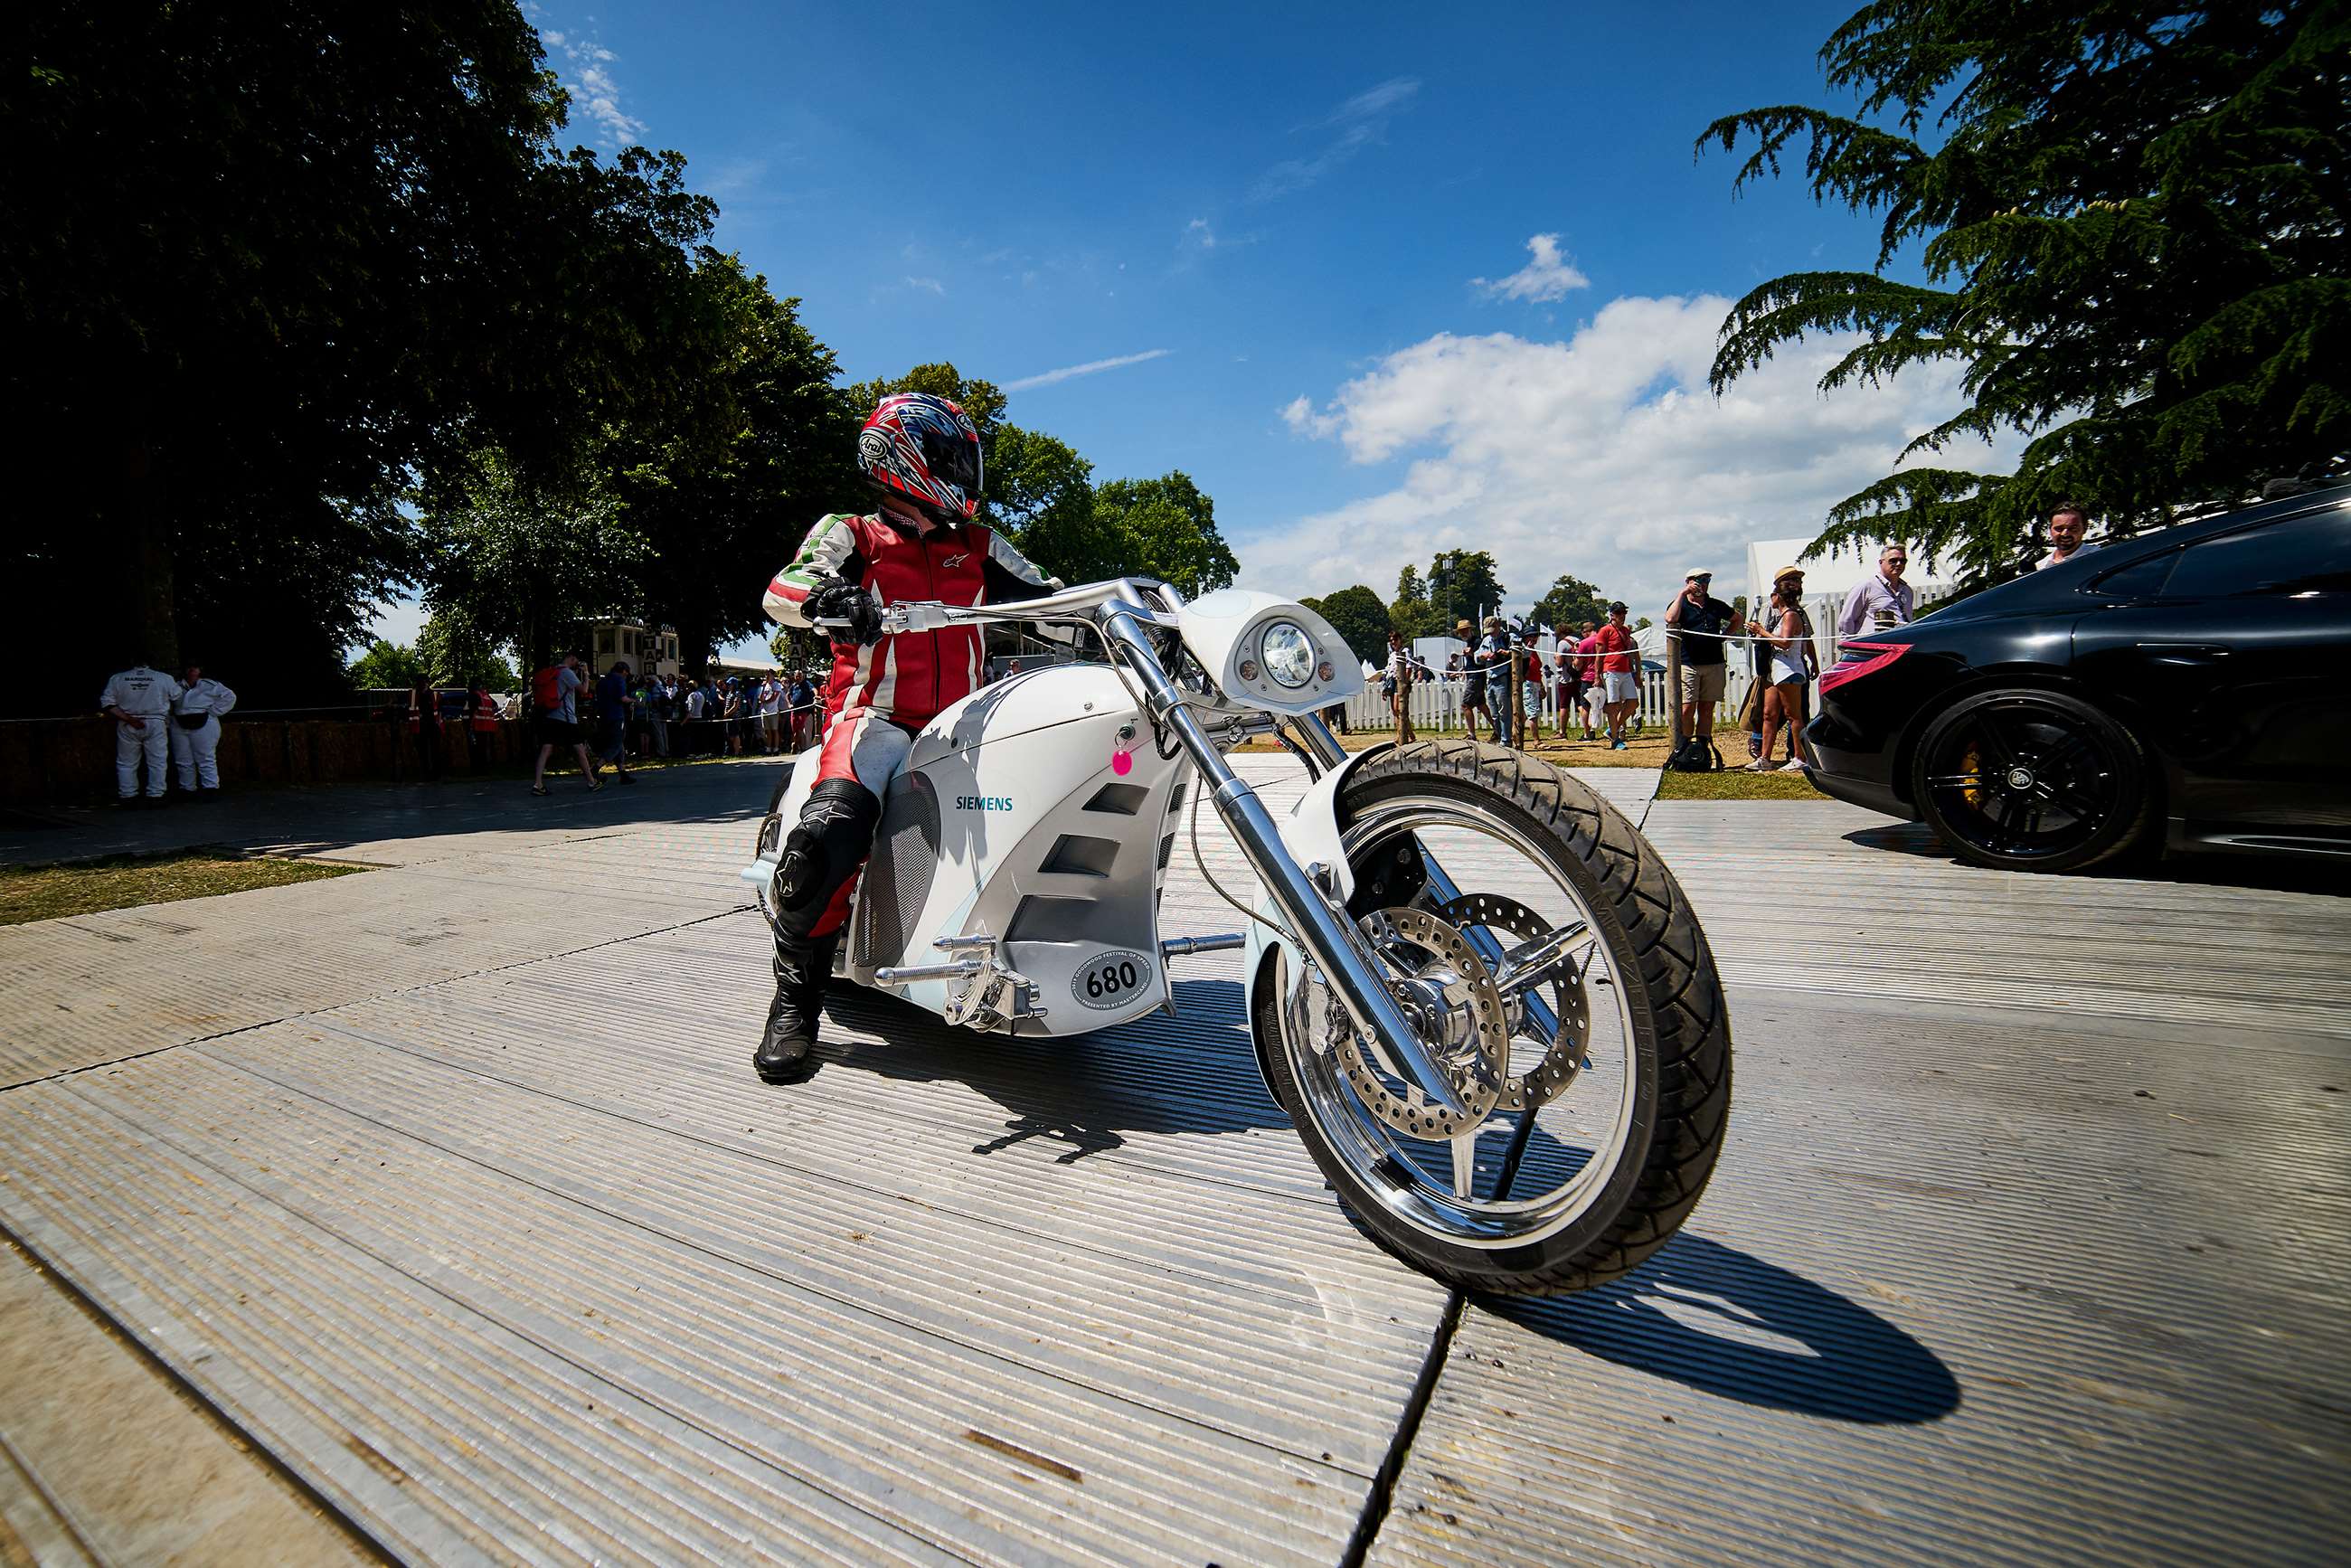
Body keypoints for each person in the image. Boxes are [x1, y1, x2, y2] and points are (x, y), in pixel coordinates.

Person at [752, 391, 1061, 1081]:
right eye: (951, 459)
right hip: (877, 719)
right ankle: (794, 1000)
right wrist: (832, 598)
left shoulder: (978, 545)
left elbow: (1051, 597)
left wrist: (1128, 619)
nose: (964, 473)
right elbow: (785, 586)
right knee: (831, 826)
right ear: (901, 459)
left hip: (968, 723)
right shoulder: (851, 534)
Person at [1664, 569, 1742, 755]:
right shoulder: (1680, 603)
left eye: (1706, 580)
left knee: (1707, 709)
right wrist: (1682, 593)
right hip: (1688, 663)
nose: (1703, 584)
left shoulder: (1715, 605)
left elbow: (1738, 619)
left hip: (1714, 662)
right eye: (1698, 580)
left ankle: (1701, 749)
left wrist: (1723, 636)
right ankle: (1682, 748)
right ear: (1688, 581)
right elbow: (1670, 618)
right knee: (1686, 709)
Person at [1747, 568, 1818, 772]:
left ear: (1780, 596)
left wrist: (1761, 631)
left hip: (1789, 669)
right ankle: (1764, 758)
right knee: (1769, 713)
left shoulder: (1791, 615)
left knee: (1793, 715)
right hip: (1775, 669)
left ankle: (1799, 756)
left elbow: (1785, 642)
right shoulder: (1780, 613)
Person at [100, 659, 182, 805]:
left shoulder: (118, 678)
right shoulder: (164, 678)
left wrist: (129, 719)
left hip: (127, 721)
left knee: (126, 762)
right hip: (156, 721)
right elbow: (177, 696)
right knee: (157, 761)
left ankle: (128, 795)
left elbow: (107, 703)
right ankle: (156, 795)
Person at [531, 651, 599, 795]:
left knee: (546, 749)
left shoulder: (554, 671)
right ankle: (591, 781)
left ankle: (537, 784)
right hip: (566, 718)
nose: (577, 663)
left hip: (550, 716)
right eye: (576, 661)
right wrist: (586, 673)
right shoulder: (567, 673)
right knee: (579, 749)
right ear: (571, 658)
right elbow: (584, 690)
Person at [167, 663, 237, 797]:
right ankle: (187, 788)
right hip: (179, 722)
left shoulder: (210, 685)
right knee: (183, 758)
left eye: (195, 667)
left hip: (204, 721)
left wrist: (213, 712)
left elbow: (230, 697)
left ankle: (210, 788)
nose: (192, 670)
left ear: (200, 670)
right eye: (189, 667)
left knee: (205, 756)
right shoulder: (175, 686)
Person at [1837, 543, 1916, 644]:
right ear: (1881, 562)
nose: (1898, 564)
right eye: (1893, 561)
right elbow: (1846, 620)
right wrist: (1848, 646)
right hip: (1874, 648)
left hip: (1901, 646)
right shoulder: (1867, 586)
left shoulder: (1907, 590)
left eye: (1903, 561)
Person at [1592, 602, 1639, 749]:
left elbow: (1631, 654)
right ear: (1612, 615)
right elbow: (1599, 655)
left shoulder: (1626, 630)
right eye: (1619, 613)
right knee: (1613, 706)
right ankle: (1615, 740)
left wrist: (1636, 673)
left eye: (1624, 613)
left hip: (1625, 670)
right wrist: (1597, 675)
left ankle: (1612, 730)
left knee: (1633, 702)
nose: (1622, 616)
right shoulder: (1604, 631)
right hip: (1610, 670)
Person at [1474, 616, 1515, 747]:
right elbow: (1476, 657)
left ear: (1498, 626)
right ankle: (1499, 735)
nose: (1491, 633)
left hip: (1503, 677)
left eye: (1493, 629)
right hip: (1489, 678)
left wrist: (1507, 653)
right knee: (1494, 713)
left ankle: (1506, 740)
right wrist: (1483, 656)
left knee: (1505, 711)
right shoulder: (1486, 640)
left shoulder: (1509, 637)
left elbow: (1524, 652)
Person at [595, 660, 637, 783]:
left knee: (619, 744)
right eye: (626, 673)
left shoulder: (602, 681)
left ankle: (622, 773)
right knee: (615, 744)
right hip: (616, 716)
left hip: (604, 716)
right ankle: (596, 767)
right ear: (623, 671)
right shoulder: (619, 680)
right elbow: (623, 698)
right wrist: (634, 701)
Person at [2035, 503, 2101, 571]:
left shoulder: (2098, 557)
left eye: (2072, 528)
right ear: (2050, 530)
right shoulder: (2041, 566)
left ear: (2085, 528)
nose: (2065, 534)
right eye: (2059, 529)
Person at [408, 674, 444, 780]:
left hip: (433, 726)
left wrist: (438, 724)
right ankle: (425, 774)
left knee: (435, 751)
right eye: (420, 682)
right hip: (419, 726)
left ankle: (436, 774)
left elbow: (440, 711)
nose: (422, 684)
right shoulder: (412, 694)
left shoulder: (436, 695)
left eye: (424, 682)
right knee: (422, 752)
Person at [1386, 630, 1417, 743]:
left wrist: (1405, 683)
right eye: (1391, 641)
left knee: (1399, 709)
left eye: (1395, 640)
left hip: (1401, 681)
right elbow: (1389, 670)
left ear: (1400, 640)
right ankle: (1406, 734)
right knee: (1395, 710)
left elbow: (1408, 667)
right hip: (1393, 681)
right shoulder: (1392, 655)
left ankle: (1404, 734)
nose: (1393, 642)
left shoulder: (1405, 651)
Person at [1516, 628, 1546, 744]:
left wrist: (1541, 686)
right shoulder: (1524, 651)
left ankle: (1517, 737)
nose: (1534, 639)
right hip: (1528, 684)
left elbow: (1536, 669)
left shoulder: (1533, 650)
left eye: (1535, 636)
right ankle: (1536, 740)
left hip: (1535, 683)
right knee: (1532, 713)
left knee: (1526, 714)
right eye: (1531, 636)